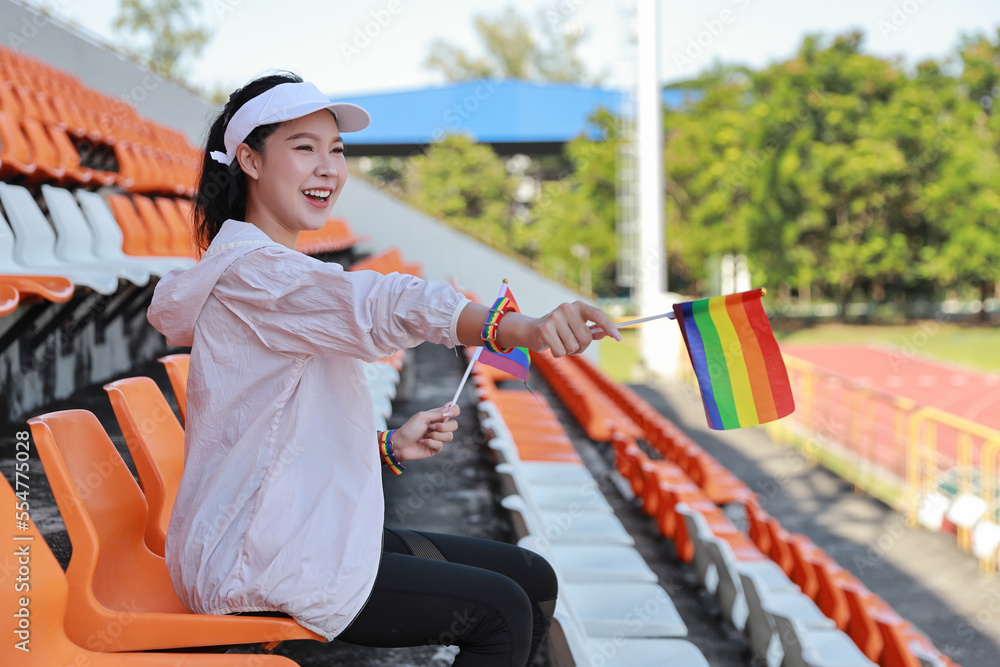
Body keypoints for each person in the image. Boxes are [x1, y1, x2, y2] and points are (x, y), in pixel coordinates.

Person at [147, 71, 620, 666]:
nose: (328, 167)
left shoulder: (272, 272)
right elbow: (384, 302)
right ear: (250, 159)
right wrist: (513, 326)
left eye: (337, 150)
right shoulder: (255, 274)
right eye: (304, 148)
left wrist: (387, 445)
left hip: (291, 528)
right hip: (257, 557)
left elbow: (271, 437)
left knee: (530, 576)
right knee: (500, 613)